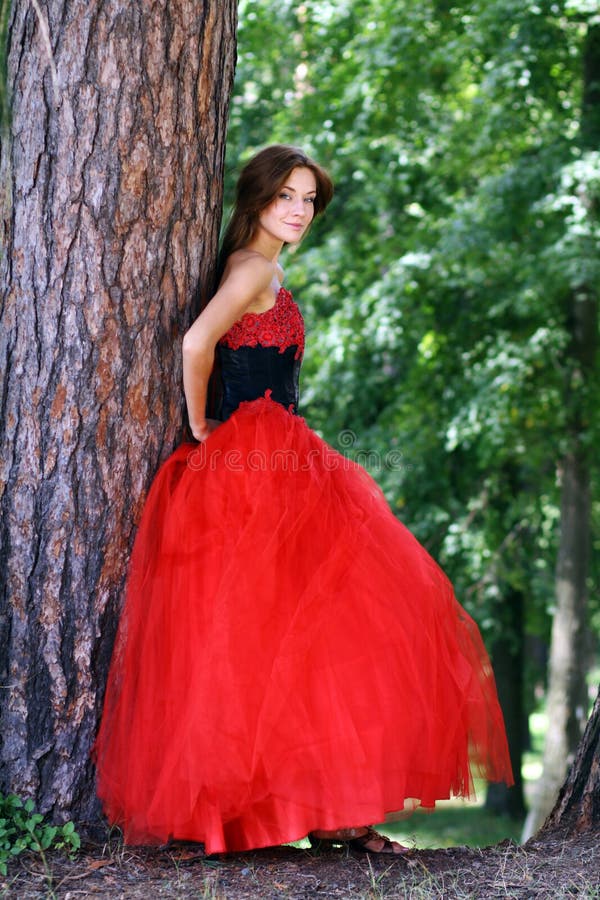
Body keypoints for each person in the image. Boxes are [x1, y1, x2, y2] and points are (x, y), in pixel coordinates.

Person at [93, 144, 513, 856]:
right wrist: (200, 424)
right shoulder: (254, 269)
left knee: (289, 642)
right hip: (256, 467)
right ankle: (301, 816)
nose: (299, 210)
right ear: (256, 199)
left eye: (309, 199)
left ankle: (308, 814)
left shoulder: (253, 267)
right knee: (284, 636)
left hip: (276, 463)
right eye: (286, 195)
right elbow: (197, 344)